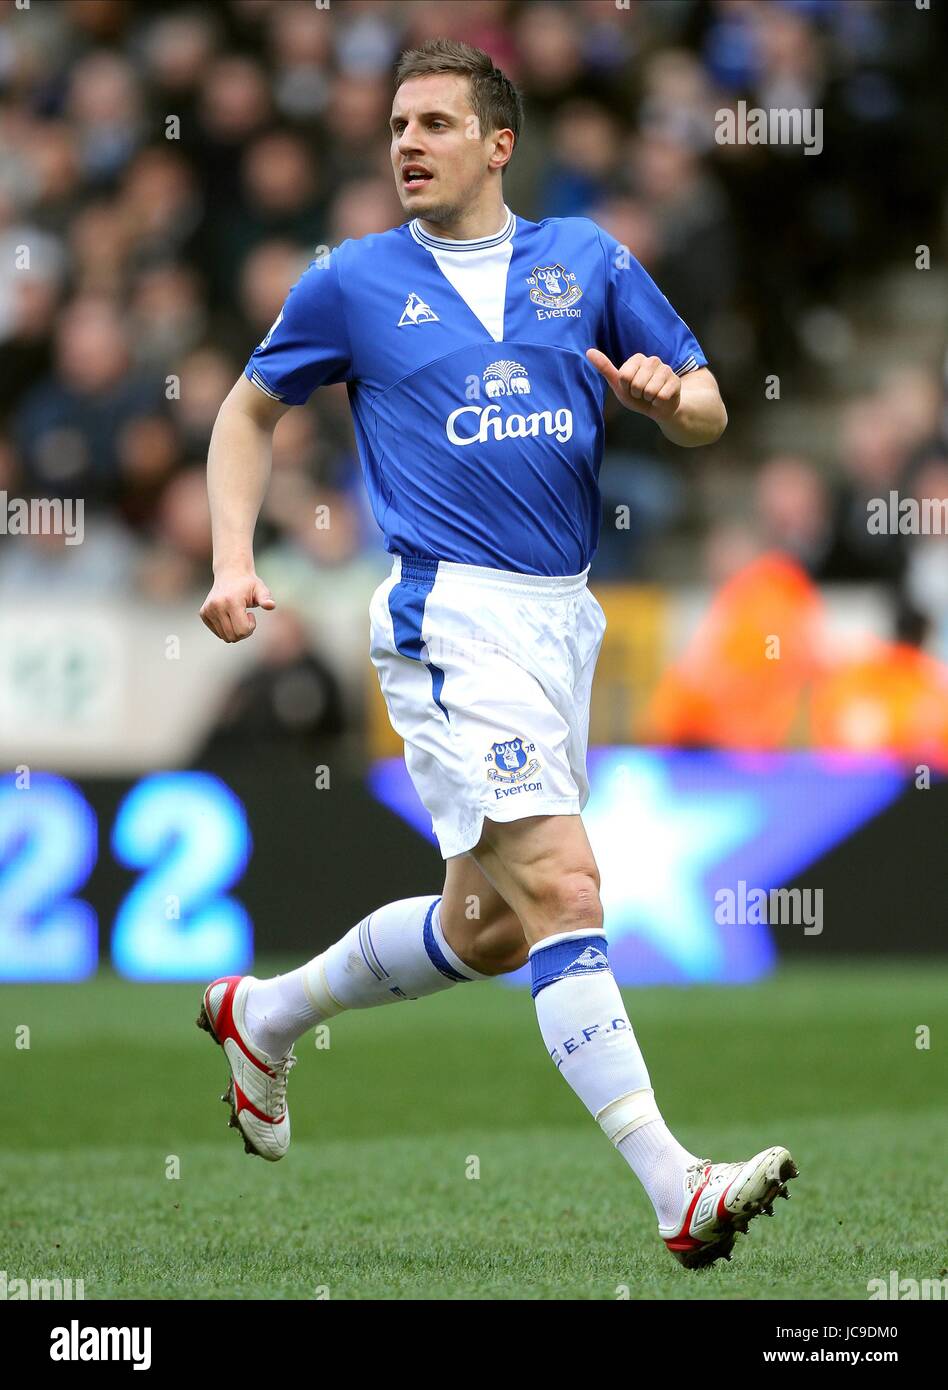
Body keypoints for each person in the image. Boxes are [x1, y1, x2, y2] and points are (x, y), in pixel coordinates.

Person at [196, 39, 795, 1270]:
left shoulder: (588, 259)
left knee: (492, 929)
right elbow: (247, 409)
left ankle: (263, 1012)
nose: (407, 143)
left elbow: (711, 403)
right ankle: (677, 1185)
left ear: (499, 144)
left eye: (434, 124)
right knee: (568, 890)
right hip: (447, 616)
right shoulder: (352, 282)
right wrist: (231, 558)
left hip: (560, 616)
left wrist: (664, 403)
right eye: (397, 124)